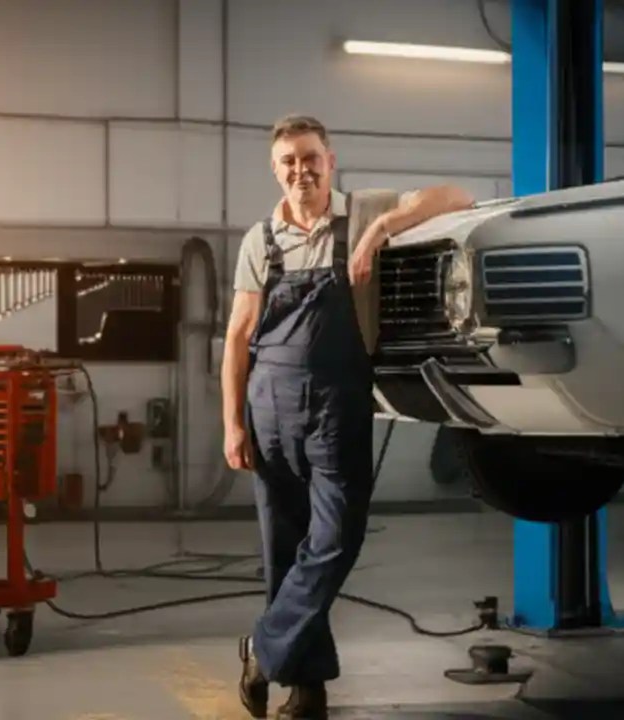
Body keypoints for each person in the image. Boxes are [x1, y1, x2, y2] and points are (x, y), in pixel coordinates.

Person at [221, 113, 476, 719]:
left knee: (336, 537)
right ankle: (307, 692)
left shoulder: (363, 213)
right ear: (275, 169)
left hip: (337, 403)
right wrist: (232, 423)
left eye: (310, 158)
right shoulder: (261, 238)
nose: (300, 170)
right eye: (288, 161)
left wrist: (382, 229)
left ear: (330, 161)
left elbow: (459, 196)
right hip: (269, 405)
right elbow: (237, 336)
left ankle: (264, 648)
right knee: (284, 551)